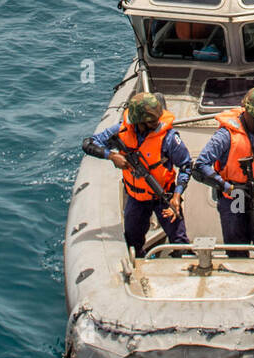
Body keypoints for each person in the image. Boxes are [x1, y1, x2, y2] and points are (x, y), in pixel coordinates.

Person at [82, 92, 191, 257]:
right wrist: (111, 156)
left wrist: (177, 196)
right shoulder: (120, 131)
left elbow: (186, 165)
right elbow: (88, 143)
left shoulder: (169, 139)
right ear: (139, 122)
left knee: (180, 241)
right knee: (132, 241)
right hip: (136, 199)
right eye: (151, 121)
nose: (157, 123)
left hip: (164, 197)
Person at [192, 87, 254, 251]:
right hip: (237, 199)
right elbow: (200, 167)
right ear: (250, 114)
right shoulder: (225, 136)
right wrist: (228, 187)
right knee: (237, 248)